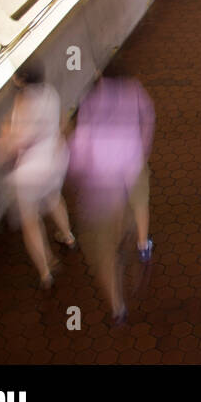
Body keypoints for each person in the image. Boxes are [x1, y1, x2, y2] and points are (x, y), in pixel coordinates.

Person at [66, 71, 154, 324]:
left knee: (103, 255)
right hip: (131, 166)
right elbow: (148, 117)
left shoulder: (89, 102)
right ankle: (140, 244)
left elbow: (79, 153)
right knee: (139, 204)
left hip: (99, 189)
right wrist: (142, 149)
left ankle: (118, 308)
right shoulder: (134, 89)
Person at [0, 62, 75, 289]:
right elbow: (62, 124)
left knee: (31, 221)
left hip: (29, 172)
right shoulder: (50, 93)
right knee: (54, 198)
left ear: (21, 81)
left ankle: (45, 272)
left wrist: (3, 143)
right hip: (54, 161)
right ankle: (68, 236)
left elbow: (13, 143)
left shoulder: (21, 105)